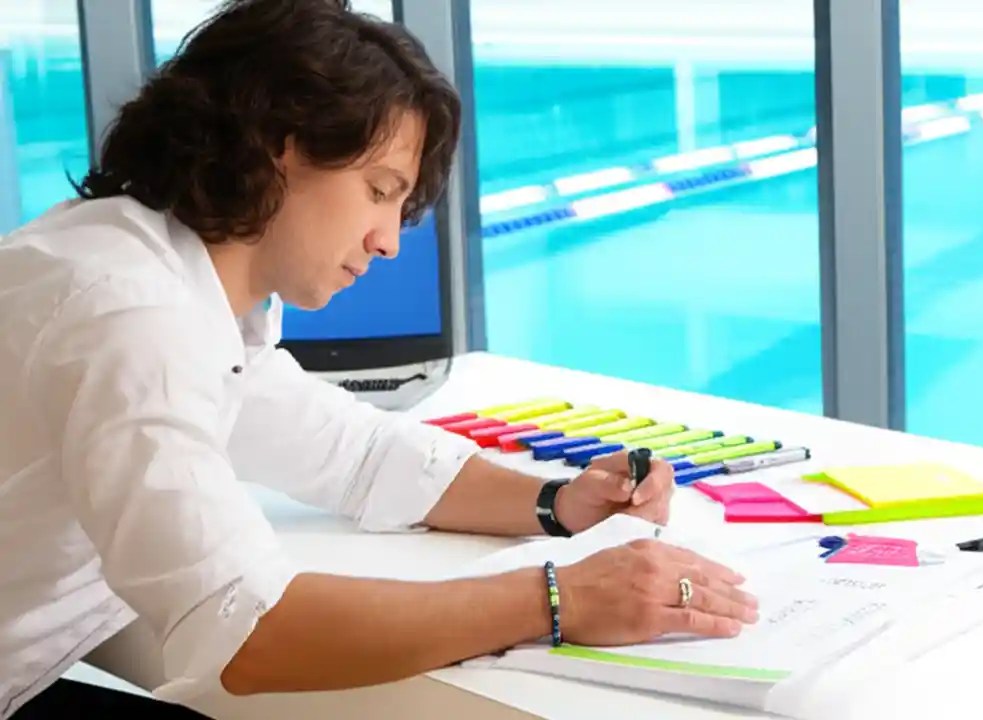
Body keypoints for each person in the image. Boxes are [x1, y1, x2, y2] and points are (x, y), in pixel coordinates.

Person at [0, 1, 758, 717]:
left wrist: (555, 504)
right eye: (378, 191)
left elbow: (355, 454)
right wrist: (561, 599)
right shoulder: (130, 312)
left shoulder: (175, 283)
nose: (389, 240)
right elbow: (245, 631)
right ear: (279, 144)